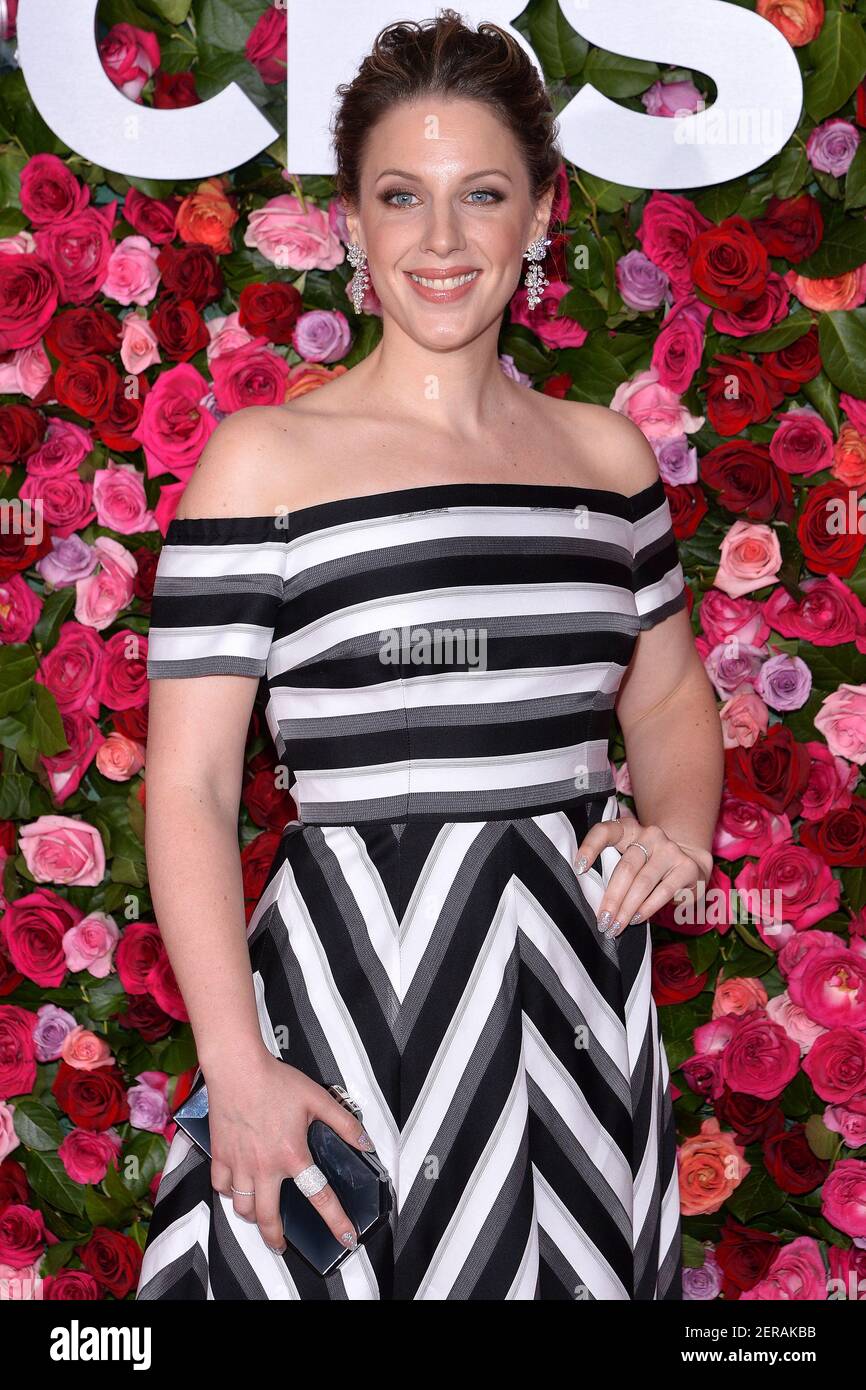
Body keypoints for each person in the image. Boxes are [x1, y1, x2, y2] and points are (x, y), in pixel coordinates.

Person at [136, 10, 723, 1302]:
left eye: (482, 195)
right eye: (402, 196)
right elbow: (188, 784)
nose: (441, 239)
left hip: (572, 1002)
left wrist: (679, 829)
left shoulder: (606, 457)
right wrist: (236, 1068)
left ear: (541, 215)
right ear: (352, 220)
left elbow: (673, 692)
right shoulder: (262, 461)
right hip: (345, 1000)